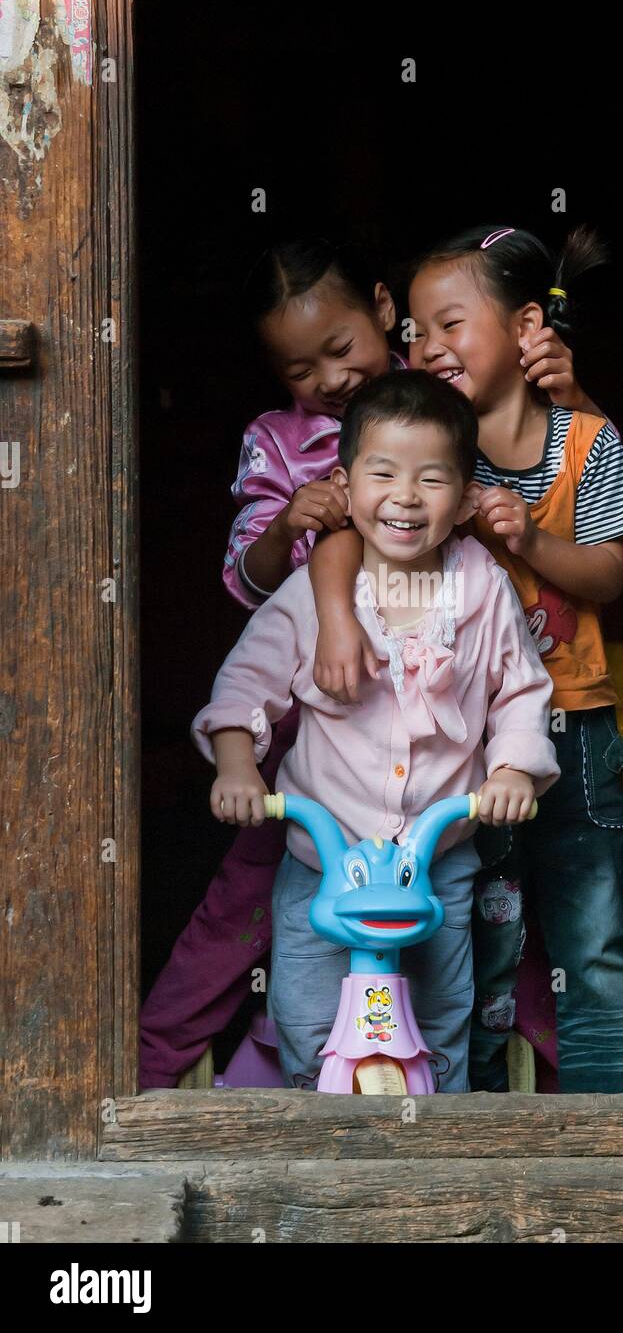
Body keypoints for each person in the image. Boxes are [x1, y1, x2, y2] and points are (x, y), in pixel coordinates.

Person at [310, 224, 623, 1094]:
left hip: (570, 727)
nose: (423, 347)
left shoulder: (588, 437)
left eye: (447, 325)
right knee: (474, 927)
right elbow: (339, 533)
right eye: (416, 332)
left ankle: (619, 1116)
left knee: (593, 929)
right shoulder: (427, 437)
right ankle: (463, 1109)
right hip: (462, 744)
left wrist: (534, 539)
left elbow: (610, 575)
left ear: (527, 328)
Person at [190, 370, 560, 1090]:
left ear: (463, 498)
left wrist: (512, 770)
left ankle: (433, 1150)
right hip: (324, 859)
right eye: (382, 472)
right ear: (346, 483)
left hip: (438, 858)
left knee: (443, 1012)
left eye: (432, 479)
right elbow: (244, 685)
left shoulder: (481, 587)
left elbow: (520, 688)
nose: (406, 496)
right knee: (305, 1014)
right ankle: (314, 1134)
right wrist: (237, 766)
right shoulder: (314, 593)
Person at [139, 235, 404, 1087]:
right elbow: (245, 580)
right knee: (248, 907)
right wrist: (291, 522)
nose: (329, 379)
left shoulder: (440, 398)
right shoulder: (277, 442)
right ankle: (148, 1070)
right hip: (309, 731)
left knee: (455, 903)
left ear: (385, 310)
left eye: (341, 347)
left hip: (428, 724)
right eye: (300, 369)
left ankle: (548, 1092)